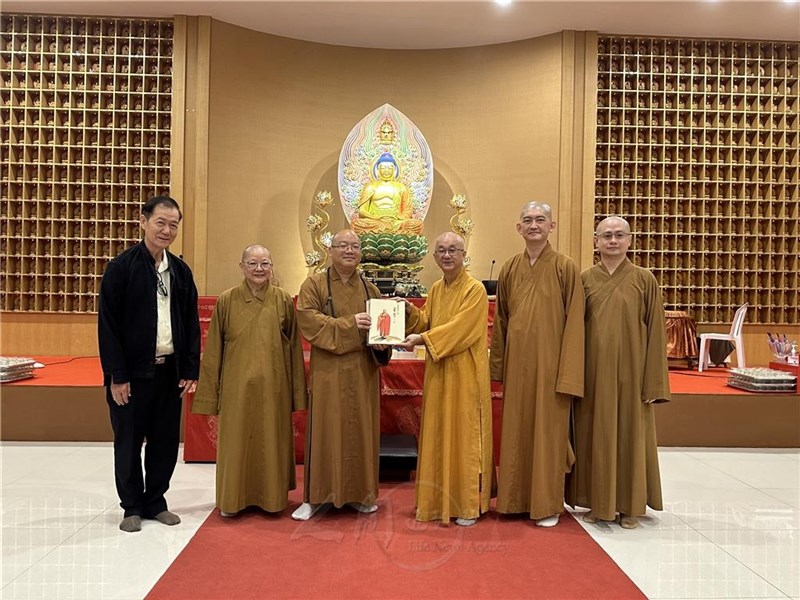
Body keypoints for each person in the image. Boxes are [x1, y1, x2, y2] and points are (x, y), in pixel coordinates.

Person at [98, 195, 200, 533]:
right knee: (128, 441)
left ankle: (155, 501)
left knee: (165, 440)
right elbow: (108, 326)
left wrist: (190, 369)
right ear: (143, 221)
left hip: (169, 372)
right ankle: (131, 505)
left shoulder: (180, 272)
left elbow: (190, 323)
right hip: (132, 374)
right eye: (160, 223)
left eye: (173, 225)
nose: (167, 231)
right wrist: (117, 375)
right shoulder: (121, 268)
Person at [567, 216, 671, 529]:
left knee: (630, 437)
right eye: (606, 236)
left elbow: (656, 332)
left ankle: (630, 506)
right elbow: (573, 331)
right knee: (594, 436)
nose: (613, 241)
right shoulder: (584, 280)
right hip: (594, 374)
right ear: (596, 241)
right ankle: (597, 502)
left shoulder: (644, 279)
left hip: (632, 374)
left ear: (629, 240)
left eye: (619, 235)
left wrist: (653, 382)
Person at [192, 245, 307, 517]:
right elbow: (213, 352)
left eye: (265, 263)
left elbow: (294, 350)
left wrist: (297, 394)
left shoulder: (282, 300)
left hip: (274, 388)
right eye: (252, 263)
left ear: (272, 267)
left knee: (271, 443)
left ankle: (272, 500)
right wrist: (210, 395)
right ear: (241, 266)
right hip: (236, 389)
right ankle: (233, 500)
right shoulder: (227, 300)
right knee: (236, 445)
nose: (259, 269)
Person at [489, 201, 584, 527]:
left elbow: (575, 324)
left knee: (548, 435)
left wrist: (569, 374)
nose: (534, 225)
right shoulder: (509, 268)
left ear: (551, 226)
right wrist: (498, 367)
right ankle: (513, 500)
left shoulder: (565, 267)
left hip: (551, 368)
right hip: (518, 366)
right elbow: (501, 322)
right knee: (516, 432)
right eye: (527, 220)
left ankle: (546, 505)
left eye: (540, 220)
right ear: (519, 228)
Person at [292, 229, 391, 520]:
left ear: (361, 253)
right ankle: (315, 497)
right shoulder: (314, 284)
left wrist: (383, 341)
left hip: (362, 372)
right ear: (330, 250)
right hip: (329, 371)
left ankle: (360, 494)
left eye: (355, 246)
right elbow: (308, 321)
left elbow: (381, 332)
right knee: (325, 430)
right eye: (343, 245)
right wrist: (350, 324)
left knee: (361, 430)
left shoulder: (370, 289)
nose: (349, 251)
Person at [399, 232, 494, 526]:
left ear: (464, 254)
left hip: (465, 374)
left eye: (453, 250)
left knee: (464, 436)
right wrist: (409, 311)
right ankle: (435, 502)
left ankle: (467, 505)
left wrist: (423, 339)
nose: (447, 255)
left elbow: (461, 328)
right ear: (434, 257)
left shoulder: (475, 289)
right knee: (439, 432)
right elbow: (427, 320)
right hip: (439, 373)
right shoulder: (438, 288)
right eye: (441, 250)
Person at [351, 152, 423, 234]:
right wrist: (376, 217)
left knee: (416, 224)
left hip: (396, 222)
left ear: (395, 170)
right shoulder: (370, 187)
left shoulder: (402, 187)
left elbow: (408, 210)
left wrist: (398, 217)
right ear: (377, 170)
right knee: (357, 224)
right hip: (375, 221)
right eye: (383, 168)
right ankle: (391, 232)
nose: (386, 170)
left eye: (389, 168)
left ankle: (384, 231)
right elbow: (362, 211)